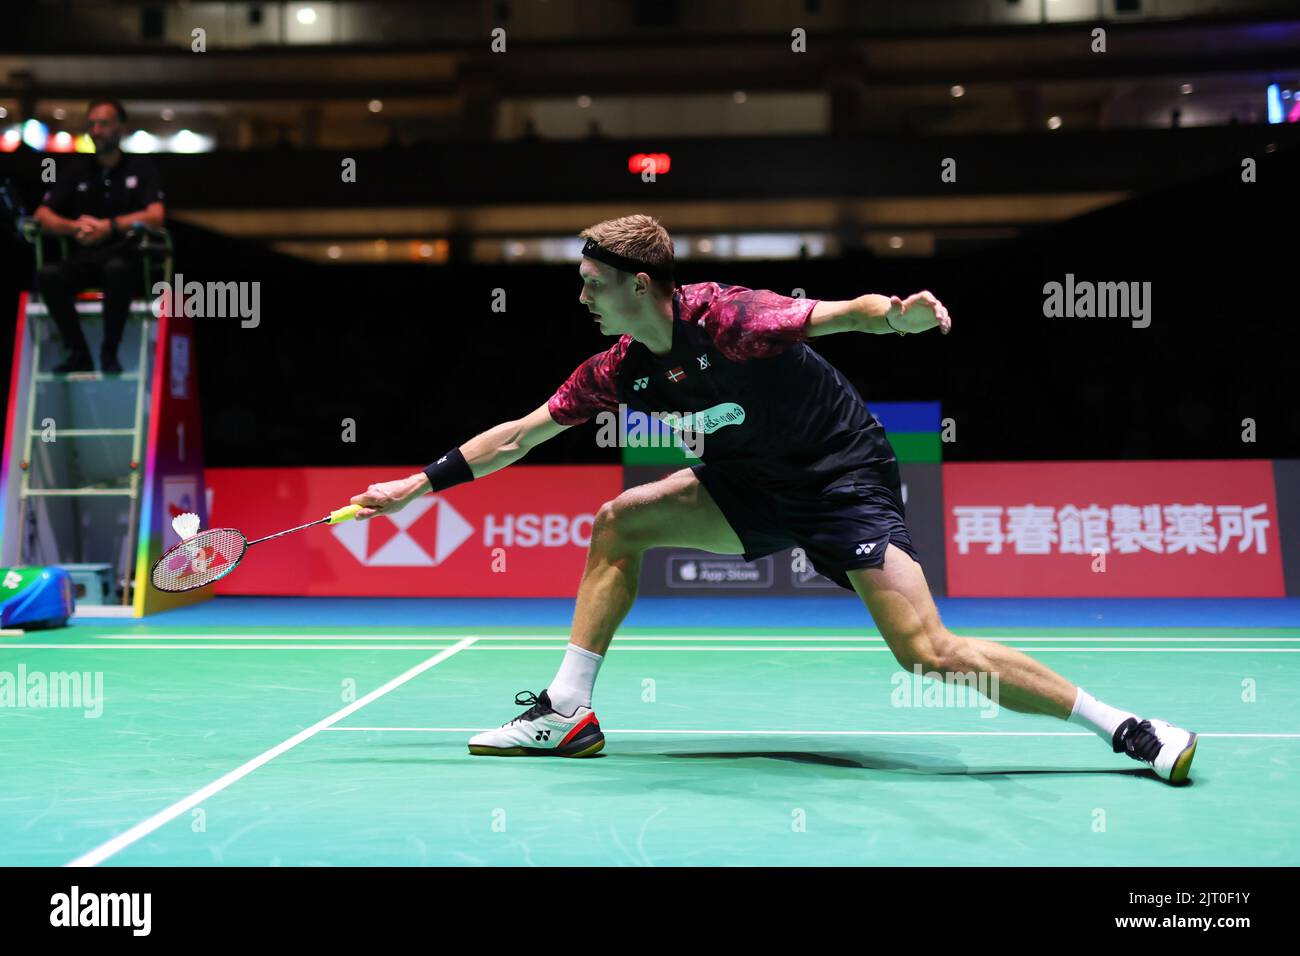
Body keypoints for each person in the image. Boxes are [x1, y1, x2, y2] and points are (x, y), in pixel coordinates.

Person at [350, 214, 1198, 784]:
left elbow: (836, 315)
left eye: (591, 284)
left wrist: (894, 318)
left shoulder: (732, 320)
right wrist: (416, 487)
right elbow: (524, 433)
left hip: (840, 479)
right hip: (750, 485)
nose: (580, 298)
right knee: (619, 524)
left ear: (640, 285)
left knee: (926, 653)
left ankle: (1127, 728)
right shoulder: (621, 368)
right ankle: (567, 712)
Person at [34, 98, 165, 373]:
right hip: (85, 257)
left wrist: (110, 226)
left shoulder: (140, 168)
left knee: (117, 270)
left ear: (120, 128)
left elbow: (156, 216)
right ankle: (78, 352)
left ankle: (110, 351)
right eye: (91, 124)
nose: (96, 130)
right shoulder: (77, 170)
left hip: (125, 257)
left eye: (103, 124)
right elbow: (42, 215)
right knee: (49, 275)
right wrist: (74, 228)